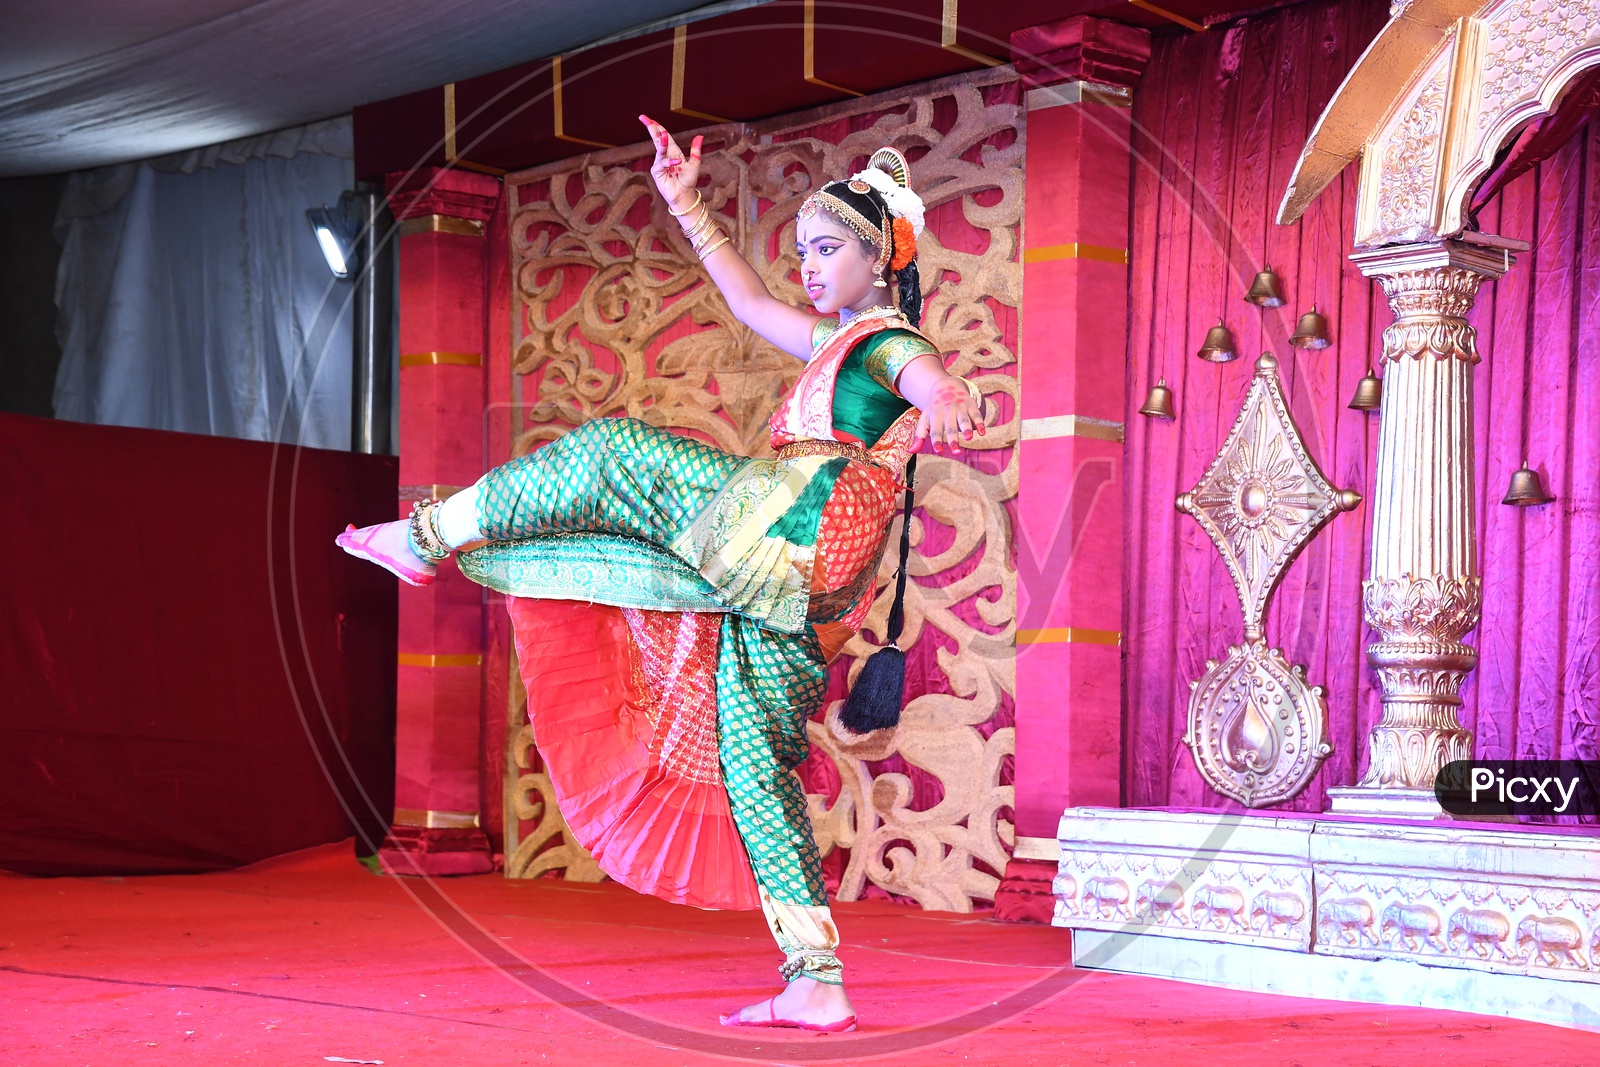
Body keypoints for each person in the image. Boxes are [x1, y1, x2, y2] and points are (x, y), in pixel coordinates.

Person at [337, 116, 985, 1033]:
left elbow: (925, 374)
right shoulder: (836, 343)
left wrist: (952, 393)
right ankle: (815, 975)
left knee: (609, 454)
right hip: (813, 573)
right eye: (802, 248)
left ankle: (429, 534)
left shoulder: (885, 342)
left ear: (879, 260)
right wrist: (687, 203)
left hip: (794, 526)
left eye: (828, 248)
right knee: (756, 765)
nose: (808, 264)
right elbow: (753, 306)